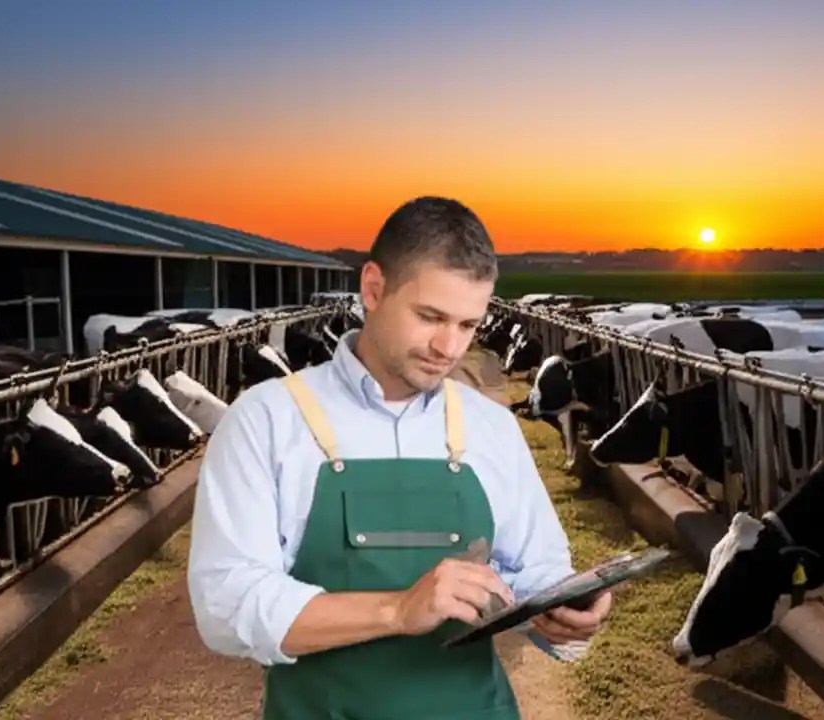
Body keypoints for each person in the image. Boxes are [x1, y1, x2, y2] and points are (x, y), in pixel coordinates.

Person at [186, 196, 612, 719]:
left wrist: (564, 607)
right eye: (430, 316)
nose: (448, 347)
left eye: (467, 325)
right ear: (373, 288)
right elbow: (226, 606)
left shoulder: (492, 427)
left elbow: (535, 570)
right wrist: (397, 609)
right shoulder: (266, 420)